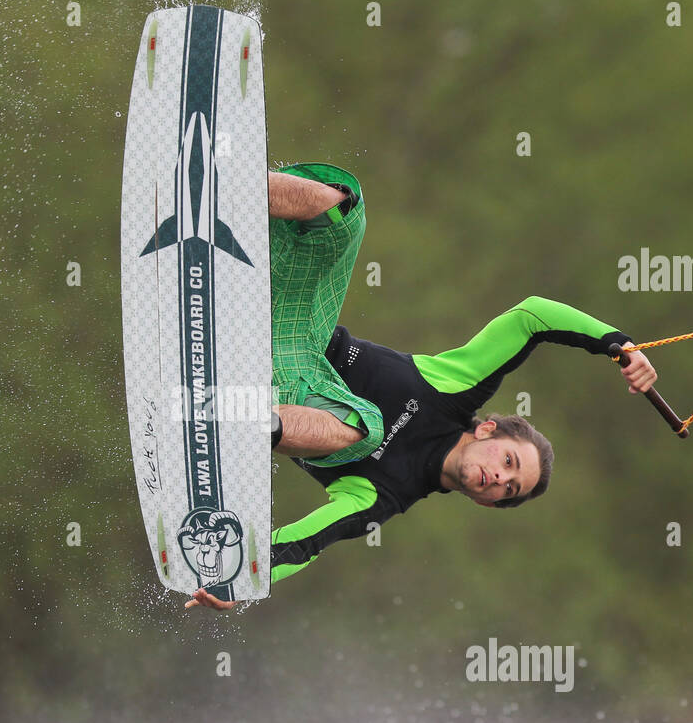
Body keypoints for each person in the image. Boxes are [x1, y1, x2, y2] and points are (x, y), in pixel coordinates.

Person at [186, 163, 657, 610]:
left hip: (258, 389)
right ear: (488, 430)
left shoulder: (386, 496)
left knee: (365, 426)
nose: (501, 479)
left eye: (509, 490)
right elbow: (532, 317)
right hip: (286, 324)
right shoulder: (457, 388)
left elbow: (308, 541)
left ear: (489, 504)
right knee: (346, 208)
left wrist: (241, 575)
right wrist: (619, 345)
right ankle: (214, 188)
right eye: (509, 463)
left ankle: (227, 419)